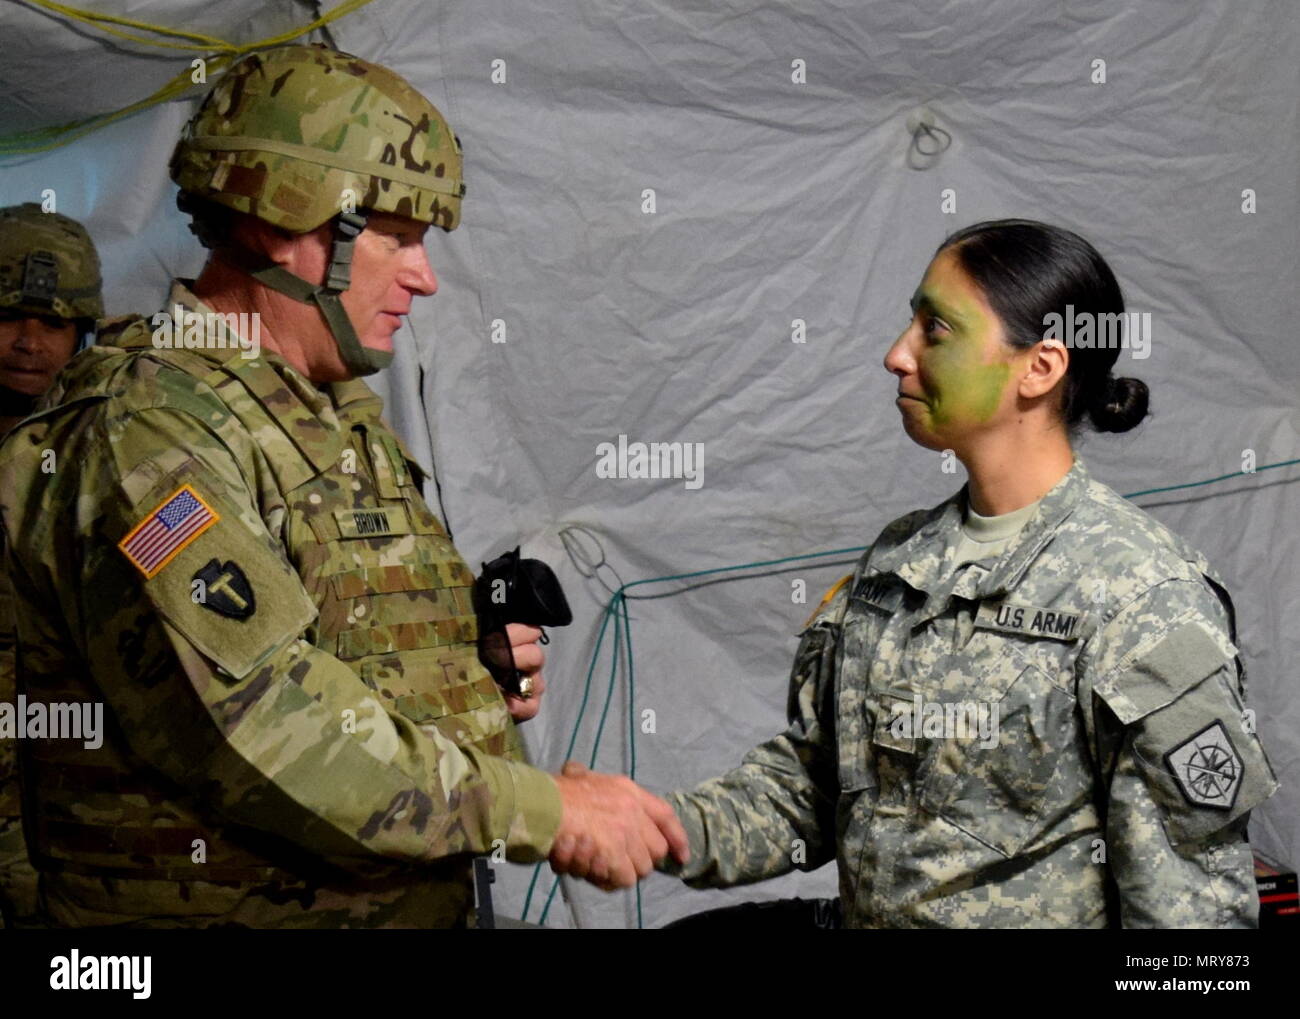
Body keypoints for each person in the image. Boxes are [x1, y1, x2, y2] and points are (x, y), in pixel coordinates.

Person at [0, 44, 685, 929]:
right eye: (398, 236)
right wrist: (540, 810)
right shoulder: (147, 431)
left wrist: (456, 666)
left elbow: (333, 633)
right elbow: (260, 718)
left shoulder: (324, 409)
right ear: (288, 221)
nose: (424, 276)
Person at [662, 219, 1278, 928]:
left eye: (936, 329)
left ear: (1041, 367)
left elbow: (1194, 921)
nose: (897, 354)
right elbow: (812, 786)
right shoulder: (898, 563)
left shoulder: (1142, 597)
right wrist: (655, 826)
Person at [0, 203, 108, 928]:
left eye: (55, 323)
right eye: (8, 316)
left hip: (69, 775)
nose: (28, 343)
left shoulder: (118, 444)